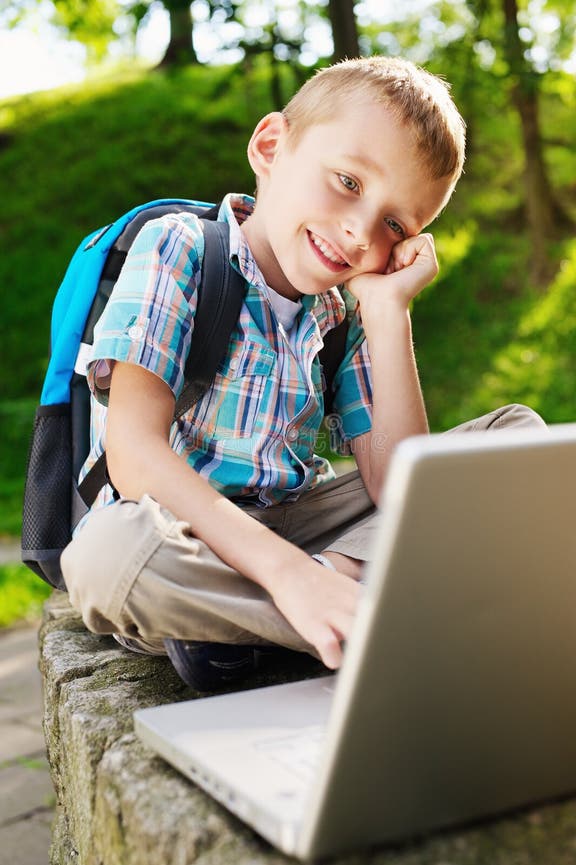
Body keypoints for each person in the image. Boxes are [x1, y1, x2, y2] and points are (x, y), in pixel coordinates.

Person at [61, 56, 545, 691]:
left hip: (303, 526)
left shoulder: (341, 313)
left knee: (516, 436)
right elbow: (133, 454)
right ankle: (362, 614)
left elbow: (403, 488)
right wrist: (290, 575)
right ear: (270, 146)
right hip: (183, 532)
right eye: (347, 181)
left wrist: (386, 309)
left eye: (395, 224)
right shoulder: (181, 247)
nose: (359, 229)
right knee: (105, 556)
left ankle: (270, 626)